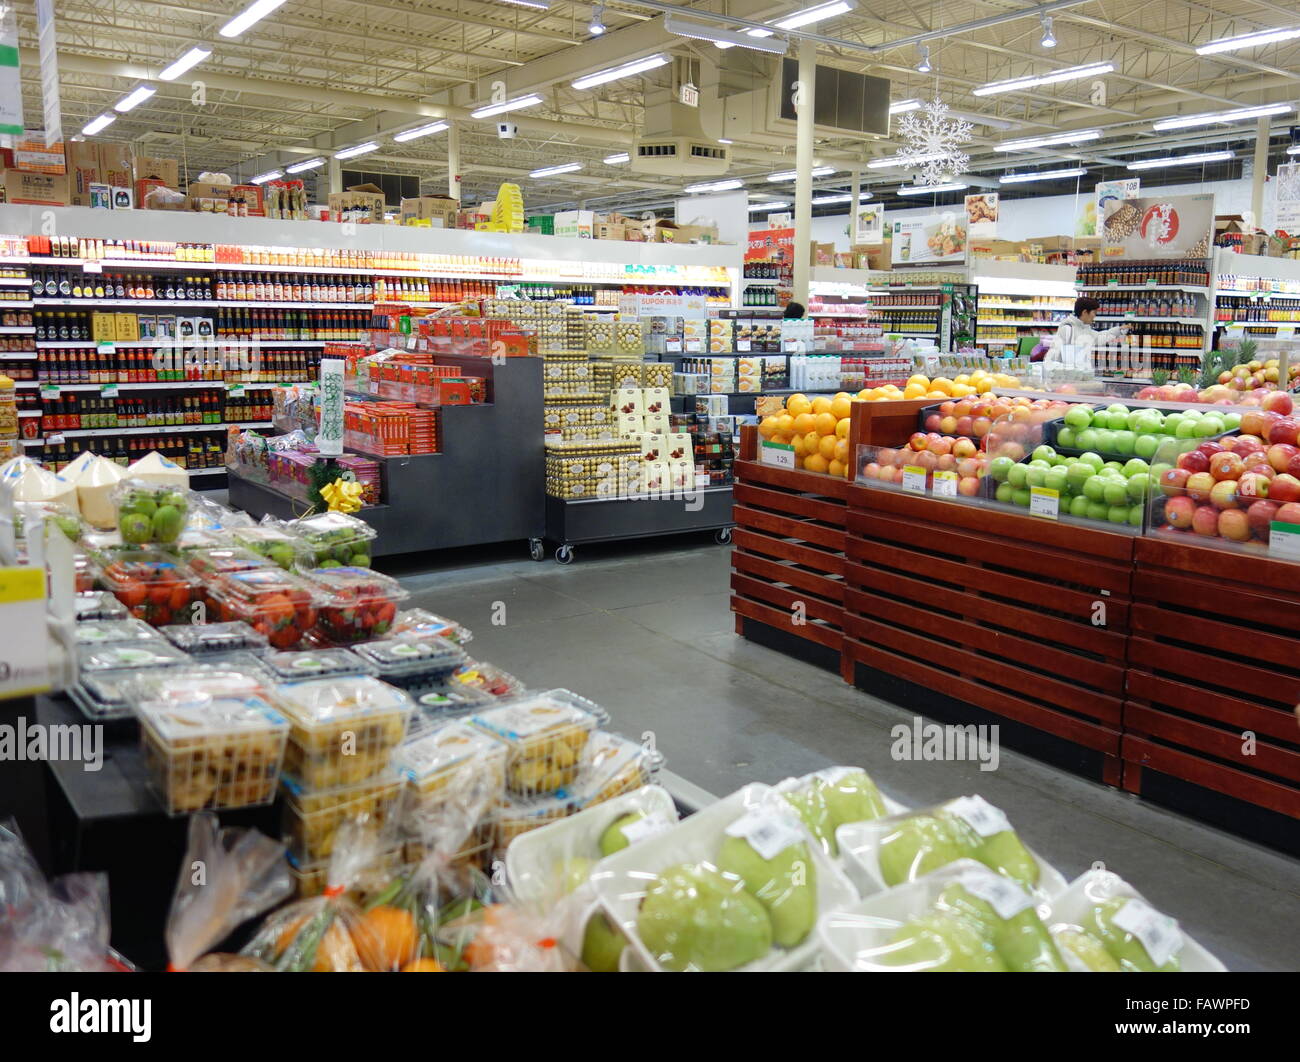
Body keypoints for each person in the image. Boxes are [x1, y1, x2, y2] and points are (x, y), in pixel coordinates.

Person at [1038, 296, 1128, 364]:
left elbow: (1100, 337)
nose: (1095, 316)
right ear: (1085, 312)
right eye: (1094, 312)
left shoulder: (1085, 329)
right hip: (1067, 377)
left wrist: (1119, 330)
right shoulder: (1067, 329)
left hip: (1080, 374)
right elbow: (1054, 353)